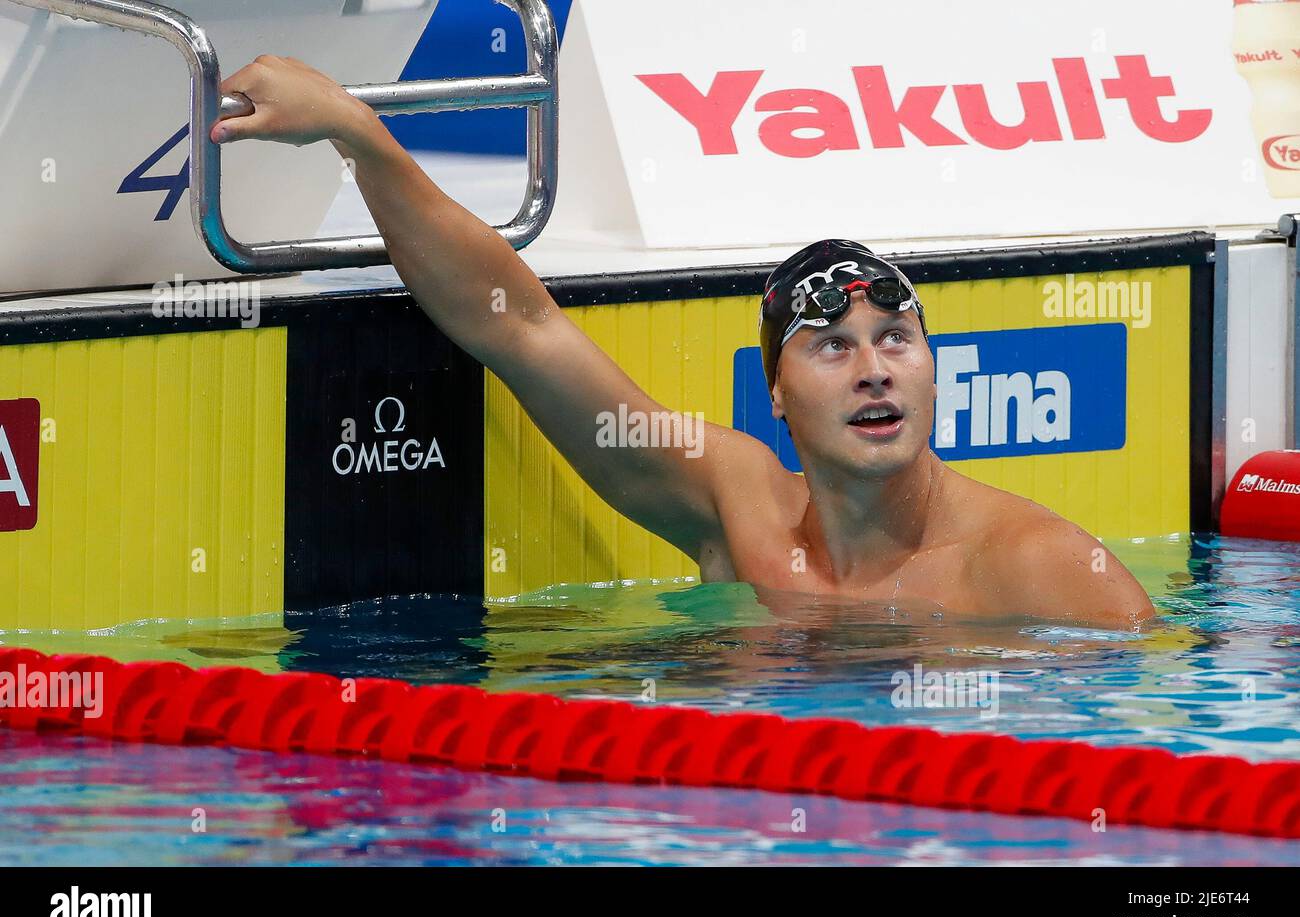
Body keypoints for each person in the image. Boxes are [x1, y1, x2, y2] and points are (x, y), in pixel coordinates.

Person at [211, 56, 1157, 629]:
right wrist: (355, 132)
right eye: (832, 345)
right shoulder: (732, 505)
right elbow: (523, 328)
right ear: (774, 391)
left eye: (896, 339)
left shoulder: (1034, 566)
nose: (874, 369)